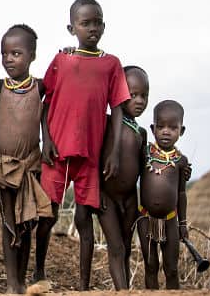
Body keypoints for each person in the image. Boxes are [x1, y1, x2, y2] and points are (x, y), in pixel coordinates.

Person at [40, 0, 130, 290]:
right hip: (57, 151)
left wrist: (113, 152)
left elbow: (117, 110)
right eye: (85, 23)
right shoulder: (61, 61)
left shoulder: (111, 65)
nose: (93, 28)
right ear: (71, 28)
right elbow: (45, 103)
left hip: (91, 155)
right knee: (47, 214)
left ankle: (82, 284)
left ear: (104, 25)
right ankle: (38, 271)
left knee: (83, 218)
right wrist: (47, 140)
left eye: (97, 22)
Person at [0, 25, 53, 294]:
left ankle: (23, 278)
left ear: (32, 56)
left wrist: (48, 143)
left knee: (27, 222)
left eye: (16, 53)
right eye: (4, 53)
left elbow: (46, 119)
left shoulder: (40, 87)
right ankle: (11, 281)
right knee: (8, 222)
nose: (9, 59)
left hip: (29, 165)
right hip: (3, 166)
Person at [95, 65, 149, 289]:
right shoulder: (107, 123)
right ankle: (122, 291)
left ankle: (124, 287)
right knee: (116, 247)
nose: (139, 101)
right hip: (107, 196)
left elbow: (145, 168)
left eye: (144, 95)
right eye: (133, 94)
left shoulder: (141, 132)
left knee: (126, 247)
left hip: (129, 199)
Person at [137, 99, 190, 290]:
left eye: (172, 127)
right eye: (160, 126)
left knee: (171, 268)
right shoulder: (144, 154)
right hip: (145, 218)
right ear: (153, 128)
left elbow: (182, 193)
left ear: (181, 131)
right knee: (151, 266)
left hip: (170, 221)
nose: (166, 131)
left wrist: (183, 223)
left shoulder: (181, 161)